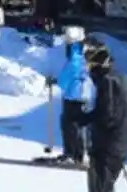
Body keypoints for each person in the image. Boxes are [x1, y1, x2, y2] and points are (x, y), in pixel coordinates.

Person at [76, 37, 127, 192]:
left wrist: (86, 118)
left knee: (100, 186)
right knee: (106, 184)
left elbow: (106, 116)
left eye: (90, 66)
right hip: (122, 144)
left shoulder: (107, 83)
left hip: (106, 147)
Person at [45, 25, 91, 167]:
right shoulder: (84, 56)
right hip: (83, 95)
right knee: (77, 125)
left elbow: (66, 78)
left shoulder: (75, 59)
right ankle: (78, 154)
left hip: (73, 96)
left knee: (69, 125)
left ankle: (72, 154)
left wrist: (55, 81)